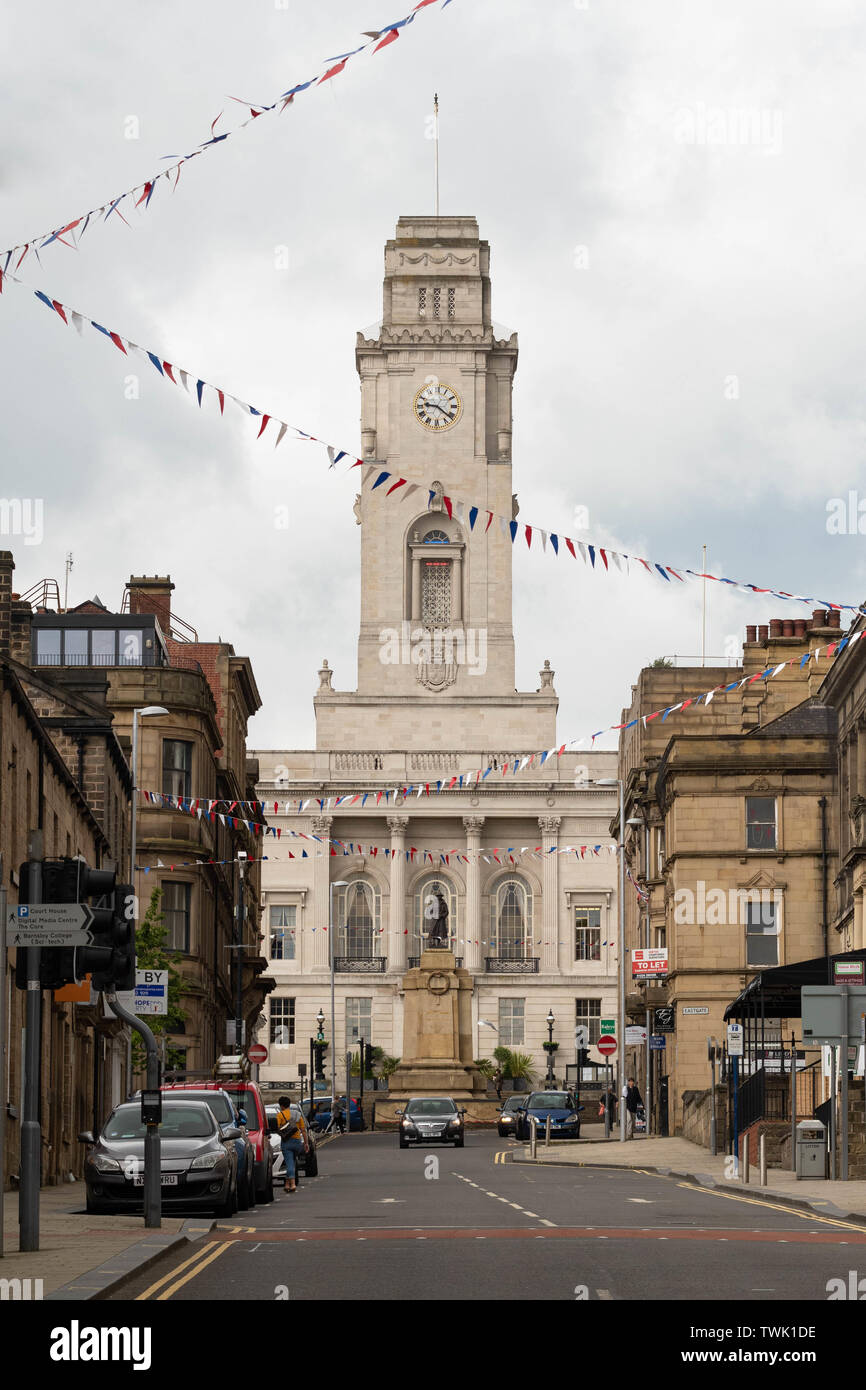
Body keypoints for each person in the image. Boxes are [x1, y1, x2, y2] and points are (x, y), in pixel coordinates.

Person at [275, 1095, 306, 1193]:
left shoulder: (280, 1115)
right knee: (291, 1162)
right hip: (297, 1142)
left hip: (286, 1142)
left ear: (281, 1105)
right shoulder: (297, 1114)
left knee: (289, 1164)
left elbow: (278, 1128)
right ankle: (287, 1184)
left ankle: (292, 1184)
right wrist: (306, 1143)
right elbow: (303, 1130)